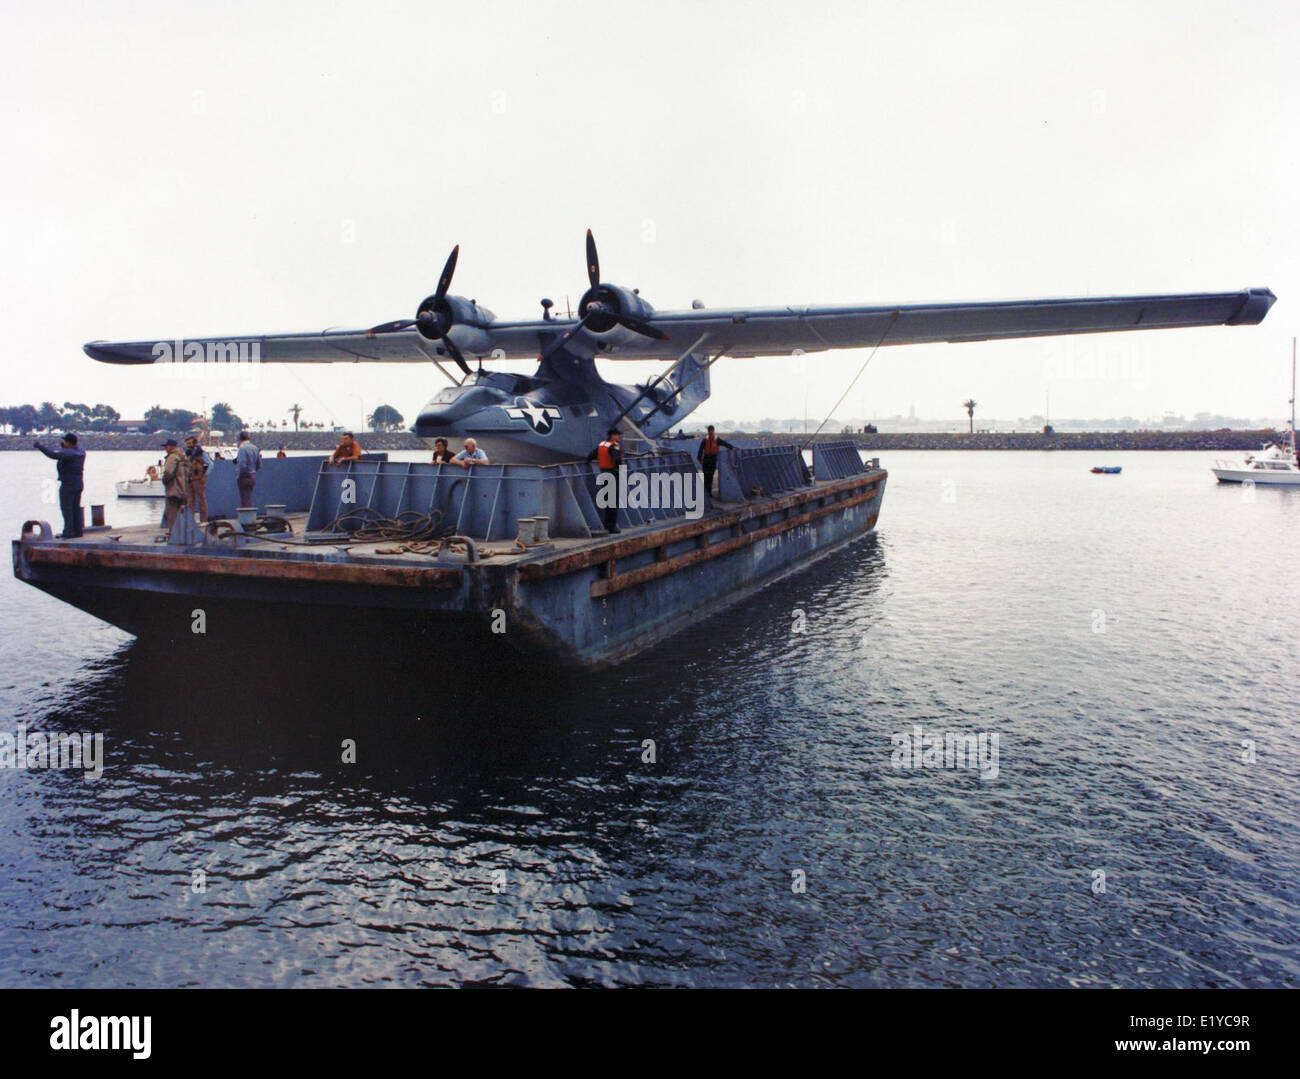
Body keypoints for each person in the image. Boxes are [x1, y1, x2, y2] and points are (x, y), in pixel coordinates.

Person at [34, 432, 85, 538]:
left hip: (68, 484)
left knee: (66, 508)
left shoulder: (67, 453)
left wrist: (40, 446)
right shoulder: (81, 452)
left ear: (69, 443)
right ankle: (77, 532)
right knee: (75, 508)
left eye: (65, 441)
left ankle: (68, 533)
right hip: (78, 483)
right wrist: (64, 448)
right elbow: (67, 451)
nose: (63, 443)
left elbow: (53, 455)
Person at [587, 427, 622, 534]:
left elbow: (590, 456)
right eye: (618, 435)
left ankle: (606, 524)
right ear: (613, 436)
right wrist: (619, 469)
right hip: (612, 474)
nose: (619, 437)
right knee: (613, 502)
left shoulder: (601, 444)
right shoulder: (614, 446)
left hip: (603, 474)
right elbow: (617, 459)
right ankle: (611, 526)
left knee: (607, 500)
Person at [696, 425, 735, 499]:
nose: (710, 432)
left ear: (713, 431)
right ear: (708, 431)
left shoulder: (717, 439)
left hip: (713, 459)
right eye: (709, 431)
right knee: (706, 477)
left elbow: (725, 444)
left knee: (710, 477)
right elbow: (700, 450)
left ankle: (709, 493)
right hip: (706, 459)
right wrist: (700, 459)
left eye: (711, 430)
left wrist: (732, 448)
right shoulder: (705, 440)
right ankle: (705, 493)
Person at [160, 438, 188, 529]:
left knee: (172, 514)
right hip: (183, 490)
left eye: (166, 446)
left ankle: (174, 535)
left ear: (171, 447)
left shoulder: (172, 457)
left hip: (173, 489)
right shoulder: (183, 456)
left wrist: (164, 481)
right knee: (182, 513)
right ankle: (182, 534)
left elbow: (168, 472)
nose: (165, 449)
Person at [183, 434, 212, 522]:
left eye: (189, 443)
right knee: (190, 501)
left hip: (198, 479)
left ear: (194, 443)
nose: (188, 445)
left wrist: (205, 476)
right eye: (187, 443)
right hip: (190, 479)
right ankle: (191, 521)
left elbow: (210, 464)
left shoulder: (201, 453)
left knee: (201, 500)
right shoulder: (187, 453)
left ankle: (204, 520)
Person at [235, 430, 260, 508]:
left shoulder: (242, 449)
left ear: (240, 439)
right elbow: (259, 465)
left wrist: (239, 475)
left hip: (244, 477)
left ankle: (246, 518)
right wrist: (252, 471)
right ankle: (250, 516)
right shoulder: (255, 448)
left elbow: (242, 465)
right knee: (249, 497)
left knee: (244, 499)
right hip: (252, 476)